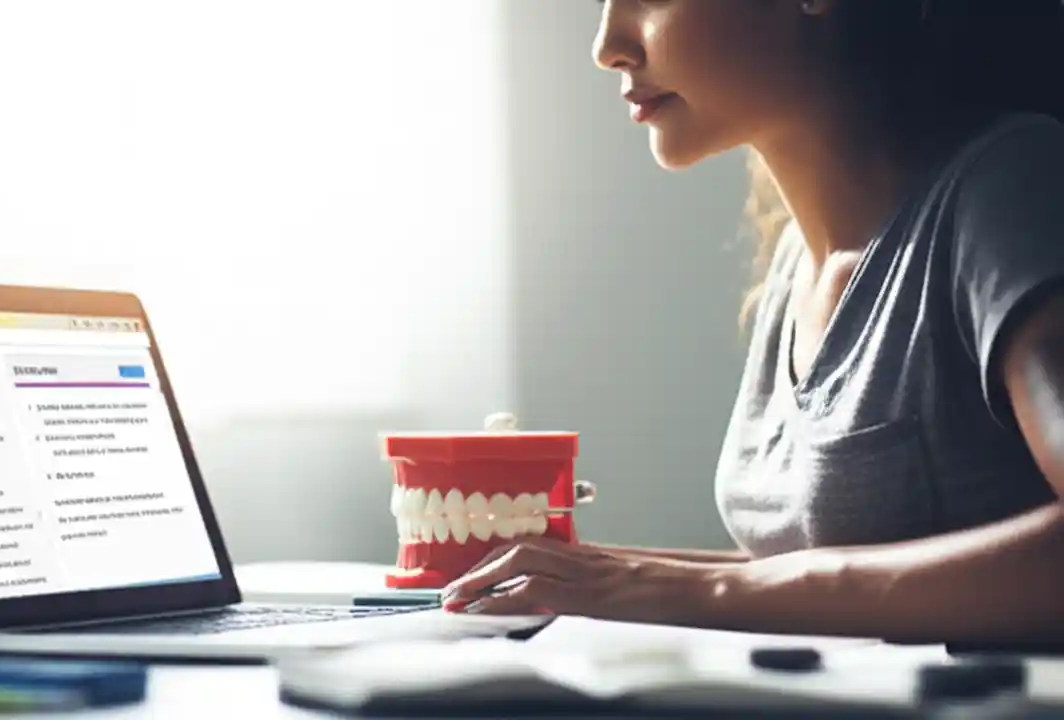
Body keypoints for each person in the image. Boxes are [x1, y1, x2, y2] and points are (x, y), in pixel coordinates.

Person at [443, 0, 1064, 645]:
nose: (608, 45)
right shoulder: (797, 263)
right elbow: (803, 577)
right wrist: (585, 575)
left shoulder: (1009, 188)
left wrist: (689, 588)